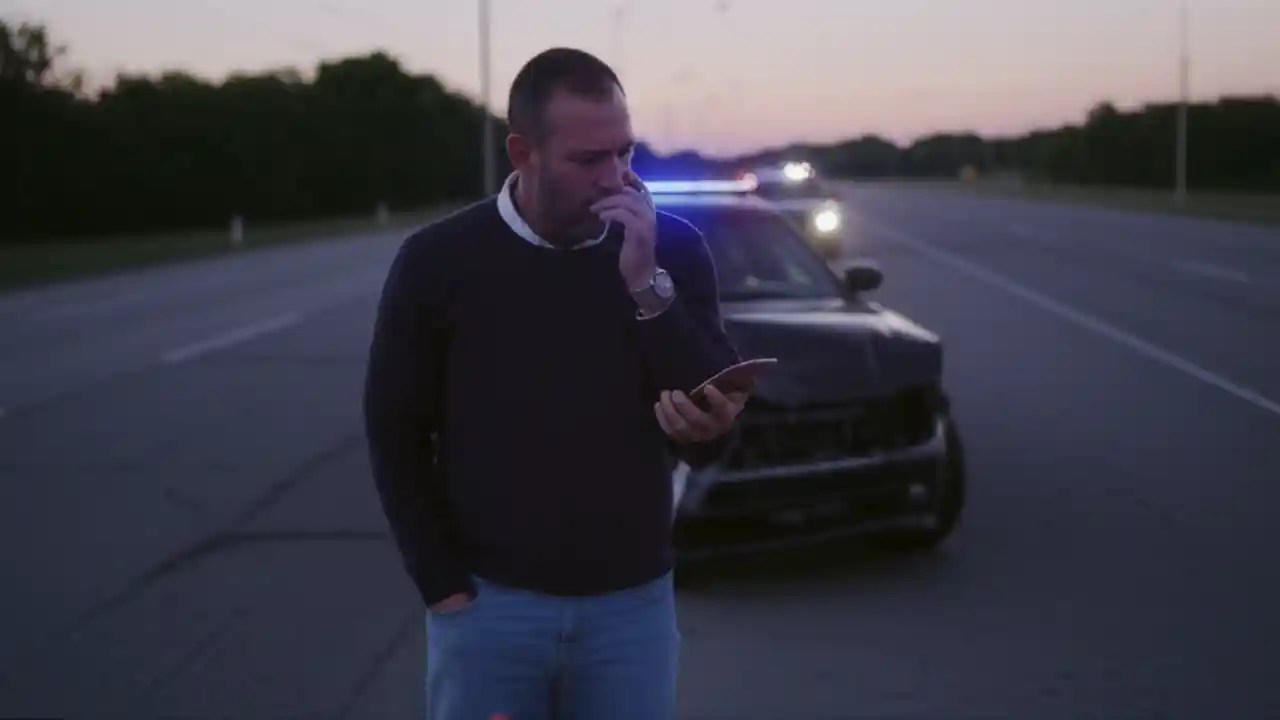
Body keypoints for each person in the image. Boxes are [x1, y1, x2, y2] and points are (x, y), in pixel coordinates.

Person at [363, 46, 751, 720]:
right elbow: (394, 431)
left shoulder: (673, 248)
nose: (616, 178)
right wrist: (442, 585)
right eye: (588, 159)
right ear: (523, 153)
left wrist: (643, 284)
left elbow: (710, 431)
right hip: (489, 610)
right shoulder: (439, 261)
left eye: (624, 153)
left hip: (632, 608)